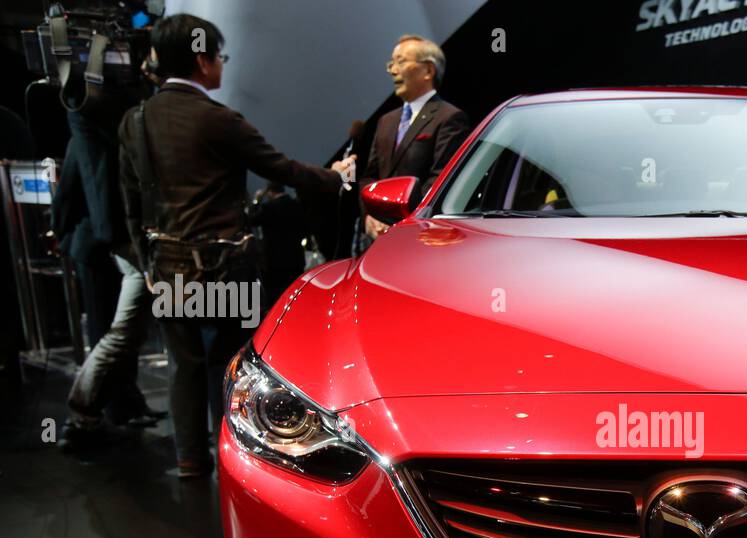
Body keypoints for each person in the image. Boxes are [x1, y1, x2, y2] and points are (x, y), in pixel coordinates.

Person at [118, 14, 356, 478]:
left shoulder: (136, 121)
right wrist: (336, 178)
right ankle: (233, 457)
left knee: (182, 364)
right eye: (219, 57)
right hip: (227, 267)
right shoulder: (219, 119)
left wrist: (145, 260)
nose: (221, 67)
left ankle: (190, 459)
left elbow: (130, 201)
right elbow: (281, 168)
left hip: (168, 265)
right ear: (203, 61)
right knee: (229, 362)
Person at [55, 83, 166, 453]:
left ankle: (118, 406)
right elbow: (70, 195)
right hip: (102, 249)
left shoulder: (100, 142)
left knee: (123, 333)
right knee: (116, 332)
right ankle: (89, 412)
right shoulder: (109, 144)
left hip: (110, 247)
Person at [359, 34, 470, 242]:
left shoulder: (449, 117)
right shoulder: (386, 121)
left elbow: (440, 180)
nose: (393, 70)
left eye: (401, 62)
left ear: (428, 70)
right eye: (391, 63)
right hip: (378, 237)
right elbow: (369, 176)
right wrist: (370, 215)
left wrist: (401, 221)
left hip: (419, 234)